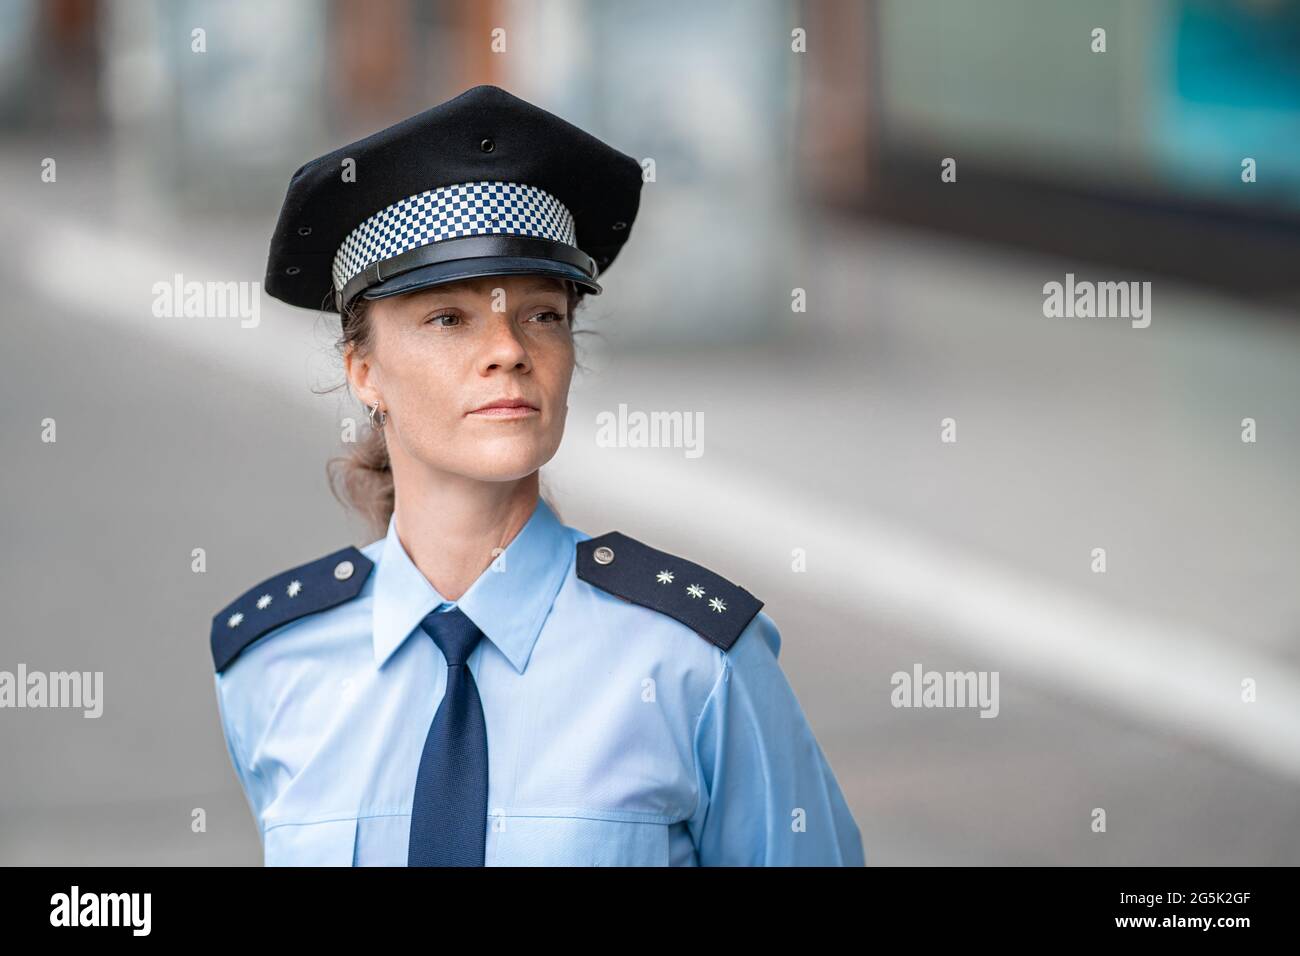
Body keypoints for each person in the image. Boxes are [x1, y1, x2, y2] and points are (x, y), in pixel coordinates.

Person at [210, 84, 864, 866]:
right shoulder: (273, 662)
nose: (509, 349)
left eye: (543, 313)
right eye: (449, 318)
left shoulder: (693, 661)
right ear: (364, 371)